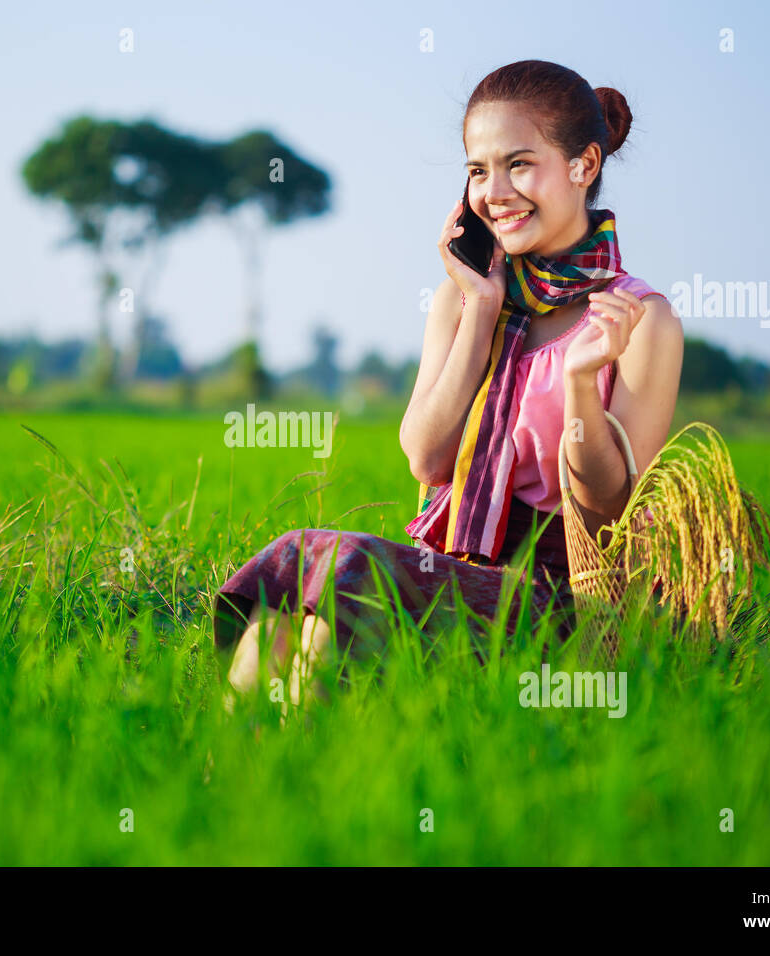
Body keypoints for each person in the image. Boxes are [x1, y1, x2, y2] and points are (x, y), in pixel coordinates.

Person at [212, 60, 684, 709]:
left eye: (519, 164)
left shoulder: (639, 319)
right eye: (477, 170)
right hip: (451, 568)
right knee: (292, 621)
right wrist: (482, 311)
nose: (495, 192)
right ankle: (236, 777)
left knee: (343, 566)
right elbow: (426, 457)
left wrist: (580, 384)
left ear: (584, 166)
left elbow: (608, 512)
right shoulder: (464, 301)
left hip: (563, 597)